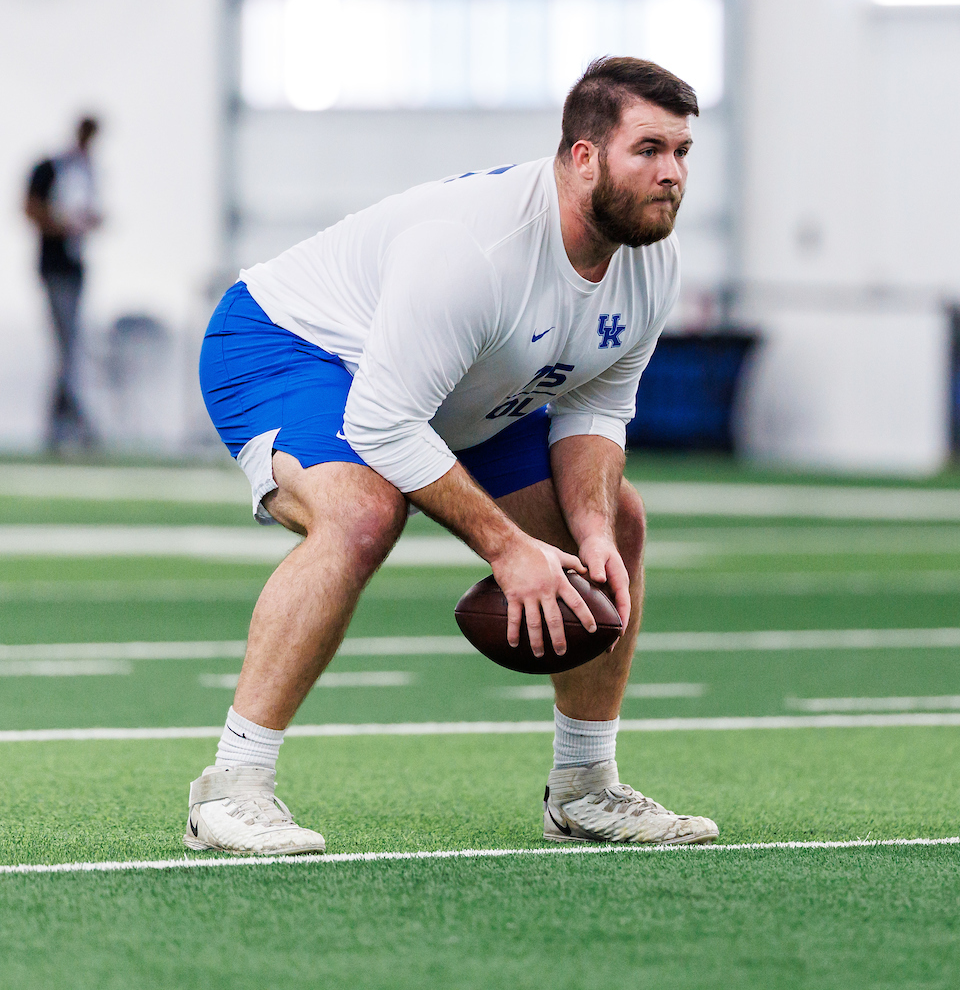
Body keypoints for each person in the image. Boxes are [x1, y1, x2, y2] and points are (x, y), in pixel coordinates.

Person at [186, 57, 719, 855]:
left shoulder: (652, 263)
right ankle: (231, 788)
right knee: (363, 514)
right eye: (648, 149)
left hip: (457, 381)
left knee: (620, 523)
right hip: (295, 345)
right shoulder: (473, 250)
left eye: (681, 152)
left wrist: (592, 535)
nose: (671, 173)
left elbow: (595, 408)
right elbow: (384, 424)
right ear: (582, 156)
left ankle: (583, 788)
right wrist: (508, 549)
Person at [23, 116, 102, 452]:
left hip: (74, 268)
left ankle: (61, 426)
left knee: (67, 347)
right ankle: (72, 424)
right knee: (66, 347)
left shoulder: (87, 171)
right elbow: (30, 208)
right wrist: (63, 225)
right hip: (55, 268)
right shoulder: (53, 167)